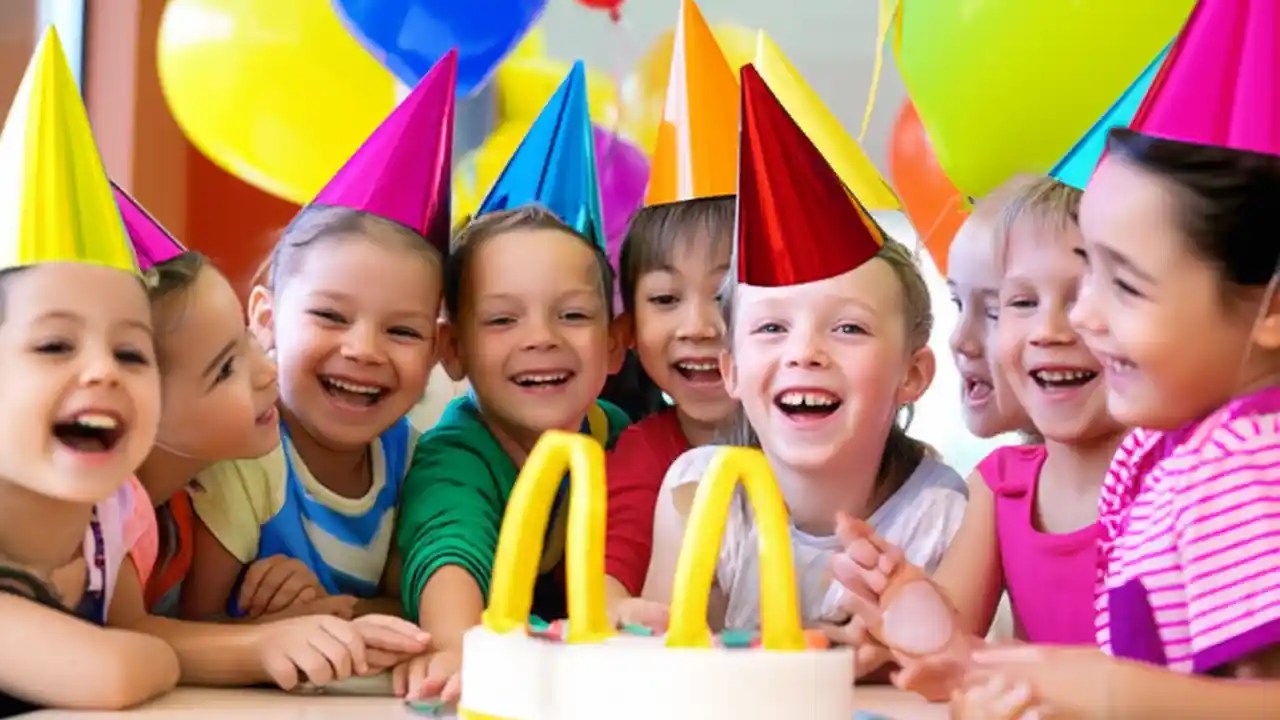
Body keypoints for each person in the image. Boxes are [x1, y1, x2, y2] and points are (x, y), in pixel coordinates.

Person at [967, 4, 1280, 713]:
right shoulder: (1172, 449)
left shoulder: (1244, 462)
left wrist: (1103, 691)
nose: (1083, 315)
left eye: (1125, 284)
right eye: (1090, 274)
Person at [640, 67, 967, 635]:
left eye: (848, 329)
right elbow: (676, 667)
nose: (805, 353)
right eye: (771, 329)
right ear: (732, 370)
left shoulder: (941, 519)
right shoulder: (701, 496)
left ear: (912, 375)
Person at [106, 188, 432, 690]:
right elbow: (127, 637)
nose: (265, 372)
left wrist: (295, 625)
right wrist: (263, 642)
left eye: (242, 345)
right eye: (227, 366)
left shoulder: (409, 456)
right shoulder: (113, 503)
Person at [183, 52, 457, 621]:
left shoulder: (407, 458)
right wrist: (264, 621)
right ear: (263, 317)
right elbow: (190, 625)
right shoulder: (244, 455)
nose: (362, 349)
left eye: (402, 330)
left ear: (436, 350)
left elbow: (404, 602)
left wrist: (335, 609)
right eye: (331, 317)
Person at [831, 178, 1125, 698]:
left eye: (1083, 296)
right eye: (1020, 302)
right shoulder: (1001, 486)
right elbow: (946, 654)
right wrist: (895, 616)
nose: (1048, 330)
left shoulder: (1182, 484)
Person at [392, 63, 630, 703]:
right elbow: (448, 545)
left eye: (573, 315)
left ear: (614, 344)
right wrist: (457, 643)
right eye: (502, 319)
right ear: (454, 349)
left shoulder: (627, 441)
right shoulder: (458, 454)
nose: (540, 337)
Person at [0, 29, 178, 714]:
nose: (104, 370)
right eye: (54, 347)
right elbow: (111, 674)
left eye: (134, 352)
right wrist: (153, 657)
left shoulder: (103, 524)